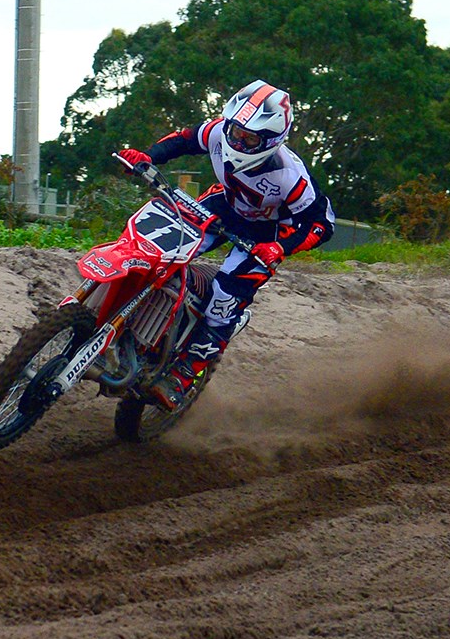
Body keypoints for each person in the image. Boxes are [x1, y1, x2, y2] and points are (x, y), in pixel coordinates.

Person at [117, 79, 336, 409]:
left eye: (249, 138)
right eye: (235, 132)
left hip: (269, 234)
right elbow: (186, 140)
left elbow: (323, 224)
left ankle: (186, 372)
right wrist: (148, 156)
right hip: (226, 205)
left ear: (271, 141)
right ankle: (120, 313)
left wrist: (281, 248)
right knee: (158, 248)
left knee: (225, 294)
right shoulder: (220, 131)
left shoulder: (291, 177)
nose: (237, 140)